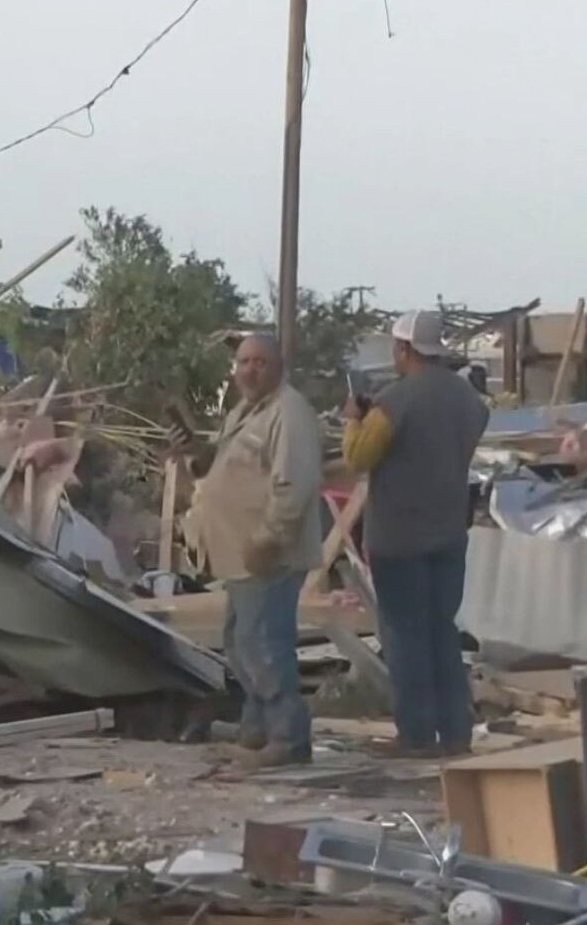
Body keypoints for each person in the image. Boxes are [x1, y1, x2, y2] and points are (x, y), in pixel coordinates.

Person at [343, 310, 489, 757]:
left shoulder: (395, 400)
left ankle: (418, 735)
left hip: (400, 537)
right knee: (441, 632)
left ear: (404, 349)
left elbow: (358, 457)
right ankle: (457, 731)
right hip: (448, 531)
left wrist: (354, 418)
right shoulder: (468, 400)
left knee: (405, 637)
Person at [184, 335, 323, 769]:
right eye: (243, 362)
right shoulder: (245, 411)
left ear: (278, 365)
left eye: (259, 362)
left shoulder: (289, 412)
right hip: (239, 554)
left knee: (262, 643)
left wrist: (268, 538)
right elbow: (234, 465)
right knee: (239, 641)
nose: (249, 370)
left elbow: (293, 486)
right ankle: (256, 731)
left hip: (269, 553)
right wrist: (199, 457)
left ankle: (288, 738)